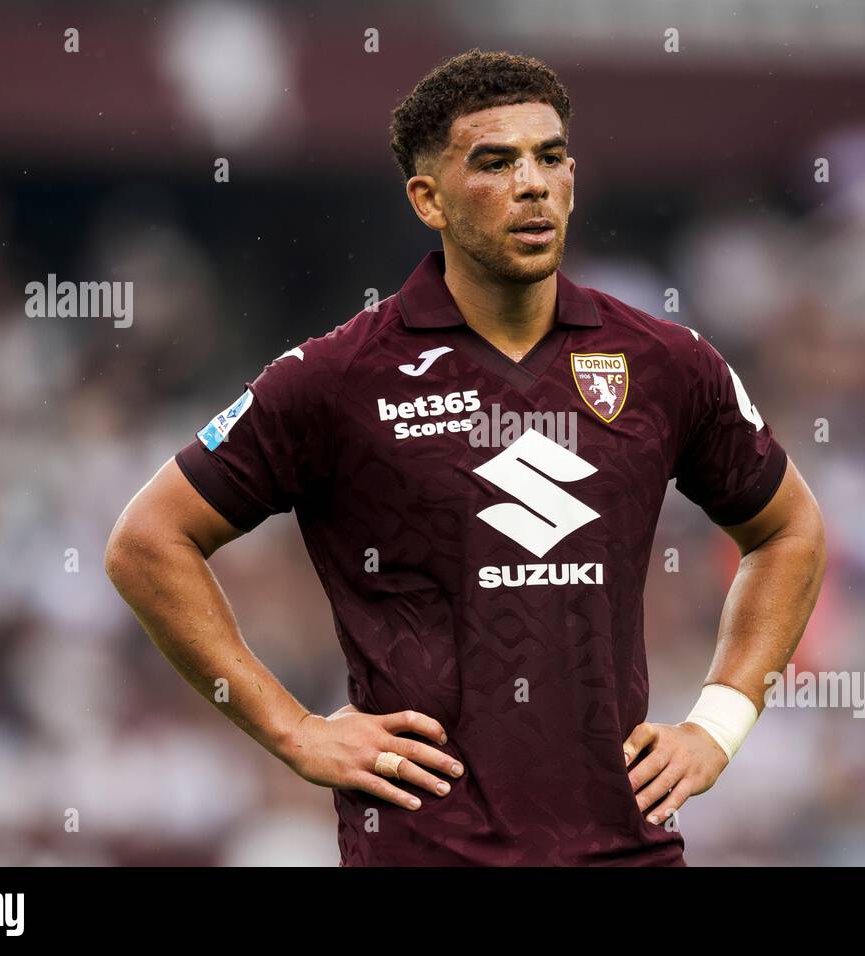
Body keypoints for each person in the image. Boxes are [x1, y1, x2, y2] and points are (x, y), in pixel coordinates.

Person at [105, 49, 826, 866]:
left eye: (550, 157)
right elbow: (147, 541)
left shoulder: (665, 361)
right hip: (426, 851)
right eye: (495, 162)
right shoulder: (337, 378)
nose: (533, 184)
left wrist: (719, 723)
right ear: (429, 199)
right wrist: (294, 730)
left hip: (627, 849)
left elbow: (789, 530)